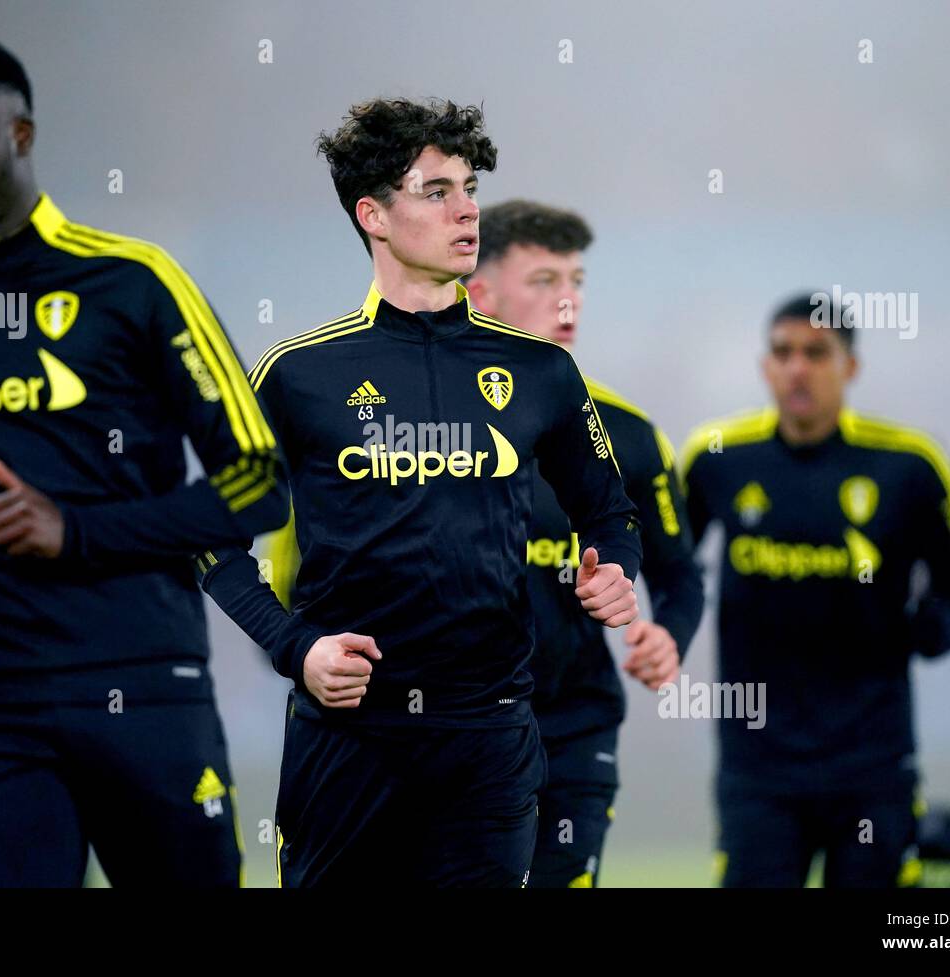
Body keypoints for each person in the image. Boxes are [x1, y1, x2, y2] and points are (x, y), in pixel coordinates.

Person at [0, 34, 286, 887]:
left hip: (143, 695)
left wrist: (77, 532)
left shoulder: (137, 282)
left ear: (22, 134)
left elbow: (261, 484)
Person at [200, 98, 643, 888]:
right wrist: (295, 646)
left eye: (469, 187)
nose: (467, 208)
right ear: (373, 214)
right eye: (435, 191)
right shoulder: (298, 373)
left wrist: (614, 570)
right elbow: (207, 534)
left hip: (491, 738)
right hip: (348, 739)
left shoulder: (542, 371)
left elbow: (610, 512)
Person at [680, 292, 950, 887]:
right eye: (783, 352)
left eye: (816, 353)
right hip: (757, 768)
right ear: (765, 366)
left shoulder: (908, 465)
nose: (798, 367)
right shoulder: (717, 458)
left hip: (871, 762)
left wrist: (928, 635)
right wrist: (658, 632)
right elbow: (668, 563)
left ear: (850, 367)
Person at [464, 199, 704, 887]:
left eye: (576, 280)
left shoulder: (626, 433)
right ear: (479, 292)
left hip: (574, 730)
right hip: (453, 728)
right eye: (543, 281)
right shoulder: (424, 429)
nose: (567, 301)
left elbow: (680, 573)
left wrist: (670, 636)